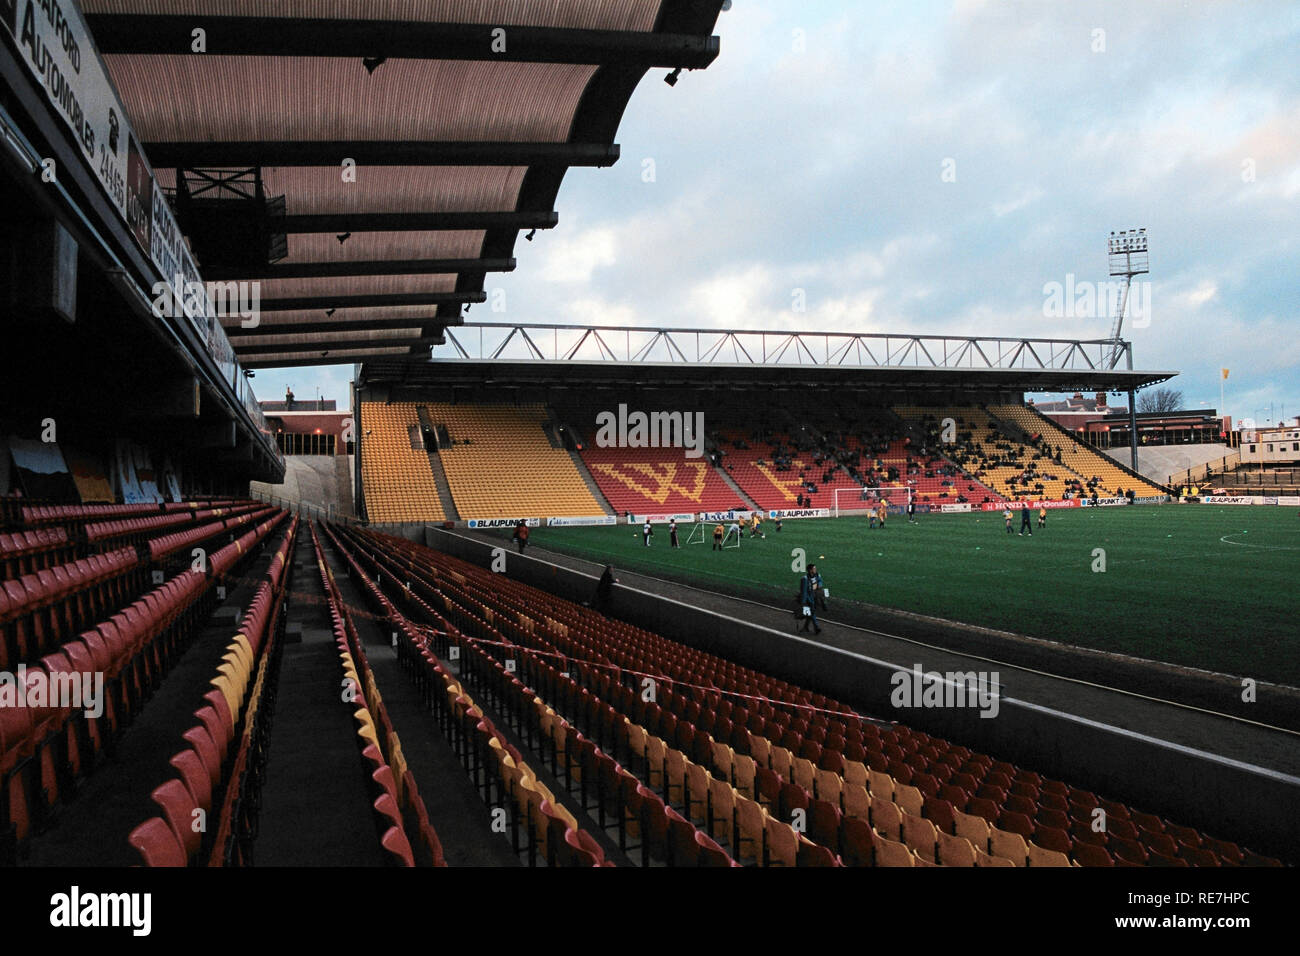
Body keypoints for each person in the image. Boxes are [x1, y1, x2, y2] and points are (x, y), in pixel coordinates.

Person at [798, 566, 822, 634]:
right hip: (809, 598)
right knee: (812, 612)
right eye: (814, 568)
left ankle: (805, 627)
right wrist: (804, 602)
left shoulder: (817, 575)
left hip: (815, 596)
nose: (815, 569)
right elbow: (804, 591)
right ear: (810, 570)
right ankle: (816, 627)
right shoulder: (804, 579)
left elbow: (820, 581)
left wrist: (820, 585)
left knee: (811, 613)